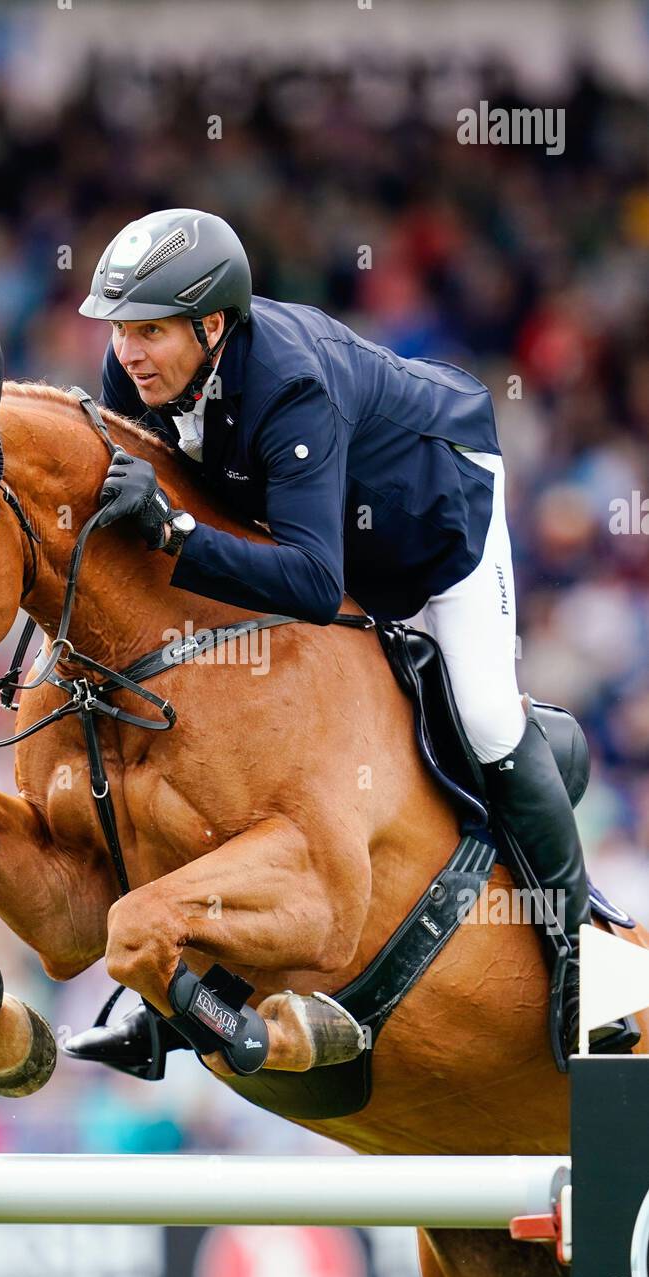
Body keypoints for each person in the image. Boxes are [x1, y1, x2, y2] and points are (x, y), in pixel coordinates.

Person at [76, 206, 633, 1072]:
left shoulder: (288, 384)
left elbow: (307, 579)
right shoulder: (136, 380)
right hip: (325, 537)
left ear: (211, 324)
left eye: (148, 330)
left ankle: (575, 972)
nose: (128, 353)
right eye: (120, 332)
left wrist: (174, 534)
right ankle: (174, 993)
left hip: (434, 525)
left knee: (483, 718)